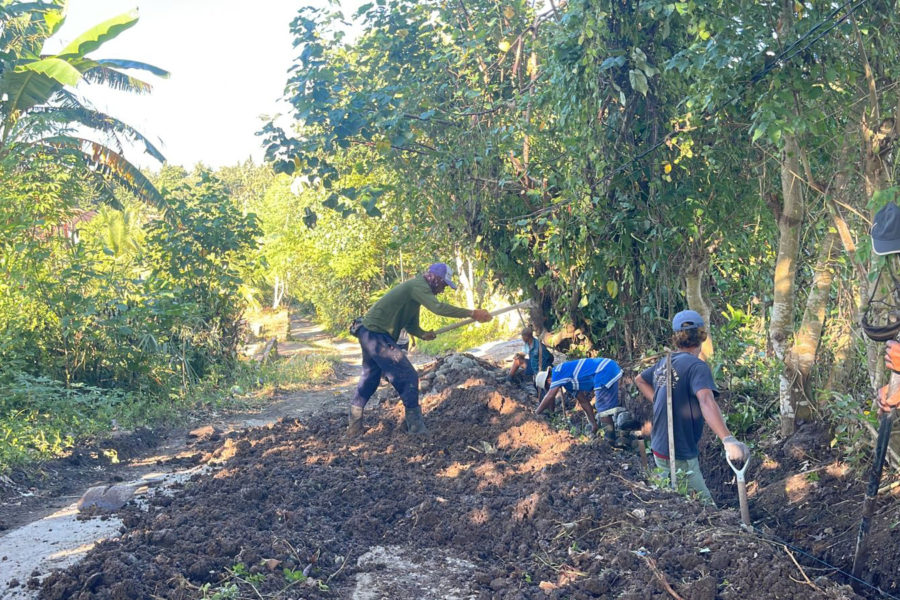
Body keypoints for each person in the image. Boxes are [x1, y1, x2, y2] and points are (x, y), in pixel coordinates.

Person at [348, 262, 492, 436]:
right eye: (444, 284)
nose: (443, 289)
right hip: (376, 334)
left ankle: (354, 427)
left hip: (368, 331)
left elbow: (410, 324)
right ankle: (416, 429)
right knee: (408, 376)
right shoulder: (418, 286)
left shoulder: (415, 291)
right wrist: (472, 313)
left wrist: (422, 334)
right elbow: (438, 308)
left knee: (370, 377)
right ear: (436, 279)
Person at [634, 310, 748, 505]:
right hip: (679, 450)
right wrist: (728, 439)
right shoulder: (697, 367)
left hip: (660, 446)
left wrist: (663, 403)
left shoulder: (665, 362)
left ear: (676, 338)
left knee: (672, 497)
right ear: (702, 336)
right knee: (707, 509)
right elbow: (706, 400)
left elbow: (639, 379)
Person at [534, 357, 623, 437]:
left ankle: (610, 440)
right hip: (607, 369)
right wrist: (593, 424)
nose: (551, 389)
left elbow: (550, 396)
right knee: (603, 408)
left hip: (604, 370)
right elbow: (584, 402)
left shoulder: (558, 372)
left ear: (549, 380)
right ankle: (613, 437)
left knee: (602, 408)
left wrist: (535, 414)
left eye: (549, 387)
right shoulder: (568, 384)